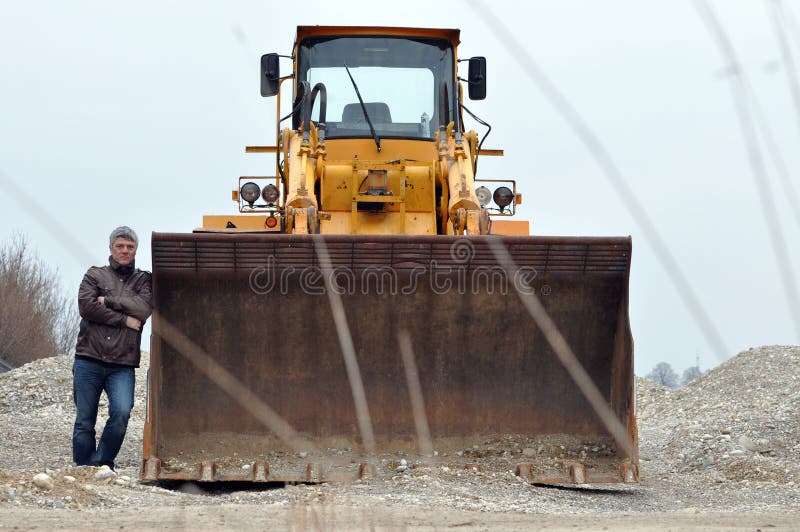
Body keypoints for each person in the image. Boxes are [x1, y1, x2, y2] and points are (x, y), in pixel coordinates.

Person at [73, 226, 152, 470]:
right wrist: (123, 319)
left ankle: (102, 463)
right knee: (85, 420)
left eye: (129, 246)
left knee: (121, 414)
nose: (125, 251)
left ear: (135, 249)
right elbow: (87, 307)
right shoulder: (94, 275)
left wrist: (107, 300)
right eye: (120, 246)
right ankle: (84, 467)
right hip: (89, 358)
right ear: (111, 248)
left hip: (122, 364)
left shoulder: (144, 280)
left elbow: (143, 308)